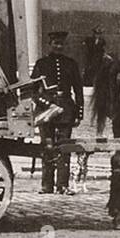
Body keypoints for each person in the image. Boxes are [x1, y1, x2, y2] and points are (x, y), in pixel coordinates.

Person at [31, 29, 84, 194]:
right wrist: (45, 103)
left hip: (66, 111)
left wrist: (78, 113)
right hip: (46, 111)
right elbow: (33, 90)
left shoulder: (71, 64)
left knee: (64, 148)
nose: (59, 46)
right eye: (56, 43)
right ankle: (46, 185)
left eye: (61, 44)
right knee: (47, 147)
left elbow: (78, 90)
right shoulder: (42, 64)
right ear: (50, 44)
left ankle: (62, 185)